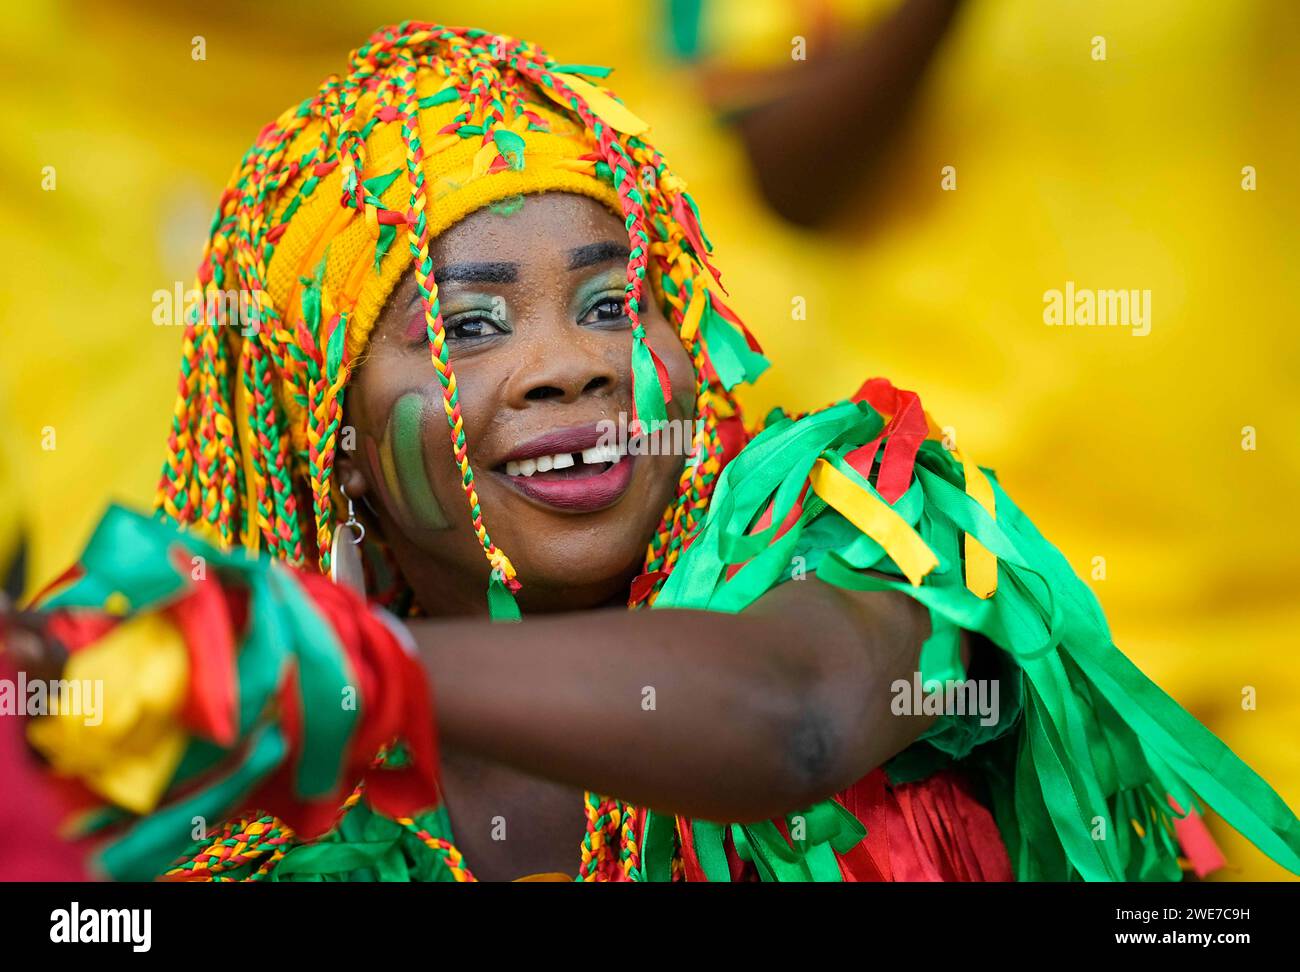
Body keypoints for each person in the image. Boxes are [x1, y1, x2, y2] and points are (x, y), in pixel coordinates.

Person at [2, 22, 1297, 883]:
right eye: (464, 325)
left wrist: (352, 678)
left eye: (619, 304)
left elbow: (794, 718)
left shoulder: (865, 536)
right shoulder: (226, 781)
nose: (572, 362)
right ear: (324, 435)